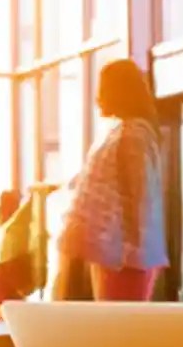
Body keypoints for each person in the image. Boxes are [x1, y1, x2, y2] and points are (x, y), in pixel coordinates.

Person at [56, 59, 168, 301]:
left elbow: (141, 199)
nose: (98, 98)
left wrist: (131, 251)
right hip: (116, 253)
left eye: (103, 89)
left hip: (124, 257)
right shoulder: (124, 132)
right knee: (116, 325)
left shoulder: (133, 135)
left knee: (120, 327)